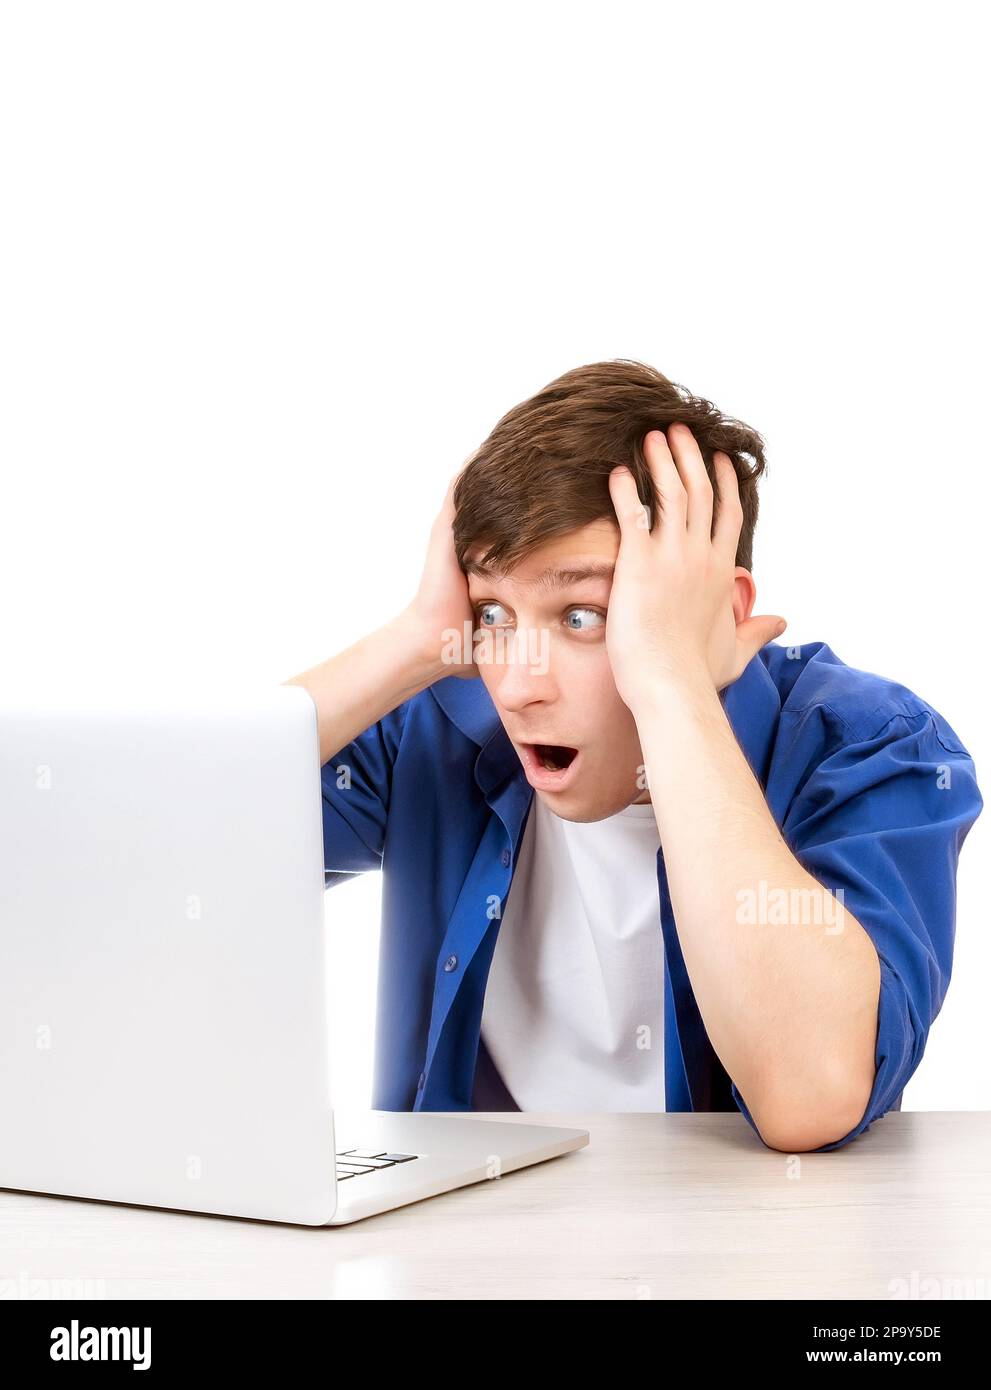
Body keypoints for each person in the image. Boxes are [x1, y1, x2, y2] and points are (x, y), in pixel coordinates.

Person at [286, 359, 982, 1152]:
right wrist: (418, 638)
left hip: (729, 1233)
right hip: (472, 1227)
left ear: (718, 613)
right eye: (492, 614)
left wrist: (670, 680)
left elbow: (810, 1097)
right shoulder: (437, 722)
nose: (517, 686)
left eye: (582, 615)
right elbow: (182, 846)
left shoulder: (869, 746)